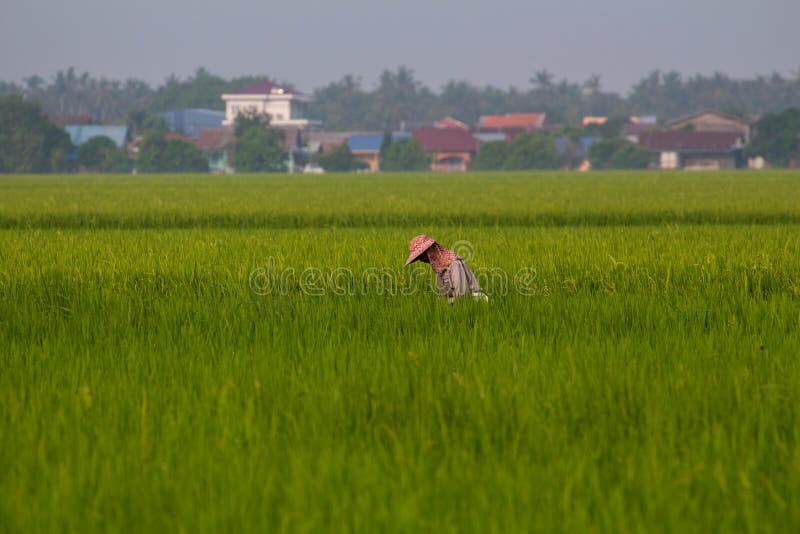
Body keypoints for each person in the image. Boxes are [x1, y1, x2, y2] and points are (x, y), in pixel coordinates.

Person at [404, 235, 487, 303]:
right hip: (456, 304)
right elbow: (442, 296)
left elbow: (463, 295)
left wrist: (447, 302)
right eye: (419, 258)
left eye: (422, 256)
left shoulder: (454, 264)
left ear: (431, 252)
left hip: (473, 303)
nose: (422, 260)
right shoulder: (439, 268)